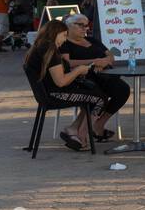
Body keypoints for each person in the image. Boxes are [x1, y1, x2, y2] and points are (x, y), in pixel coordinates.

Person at [23, 19, 111, 152]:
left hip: (46, 93)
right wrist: (79, 70)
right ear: (55, 34)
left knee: (94, 93)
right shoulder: (50, 51)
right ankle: (81, 137)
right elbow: (61, 82)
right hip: (55, 94)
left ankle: (74, 131)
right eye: (64, 35)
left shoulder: (40, 47)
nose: (64, 40)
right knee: (100, 99)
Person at [59, 13, 129, 142]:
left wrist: (103, 62)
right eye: (81, 25)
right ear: (68, 26)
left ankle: (99, 124)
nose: (85, 28)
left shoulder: (92, 40)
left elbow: (110, 56)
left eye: (87, 26)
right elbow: (67, 63)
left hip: (104, 76)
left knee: (123, 89)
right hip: (83, 78)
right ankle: (80, 130)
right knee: (97, 95)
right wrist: (93, 61)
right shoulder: (64, 42)